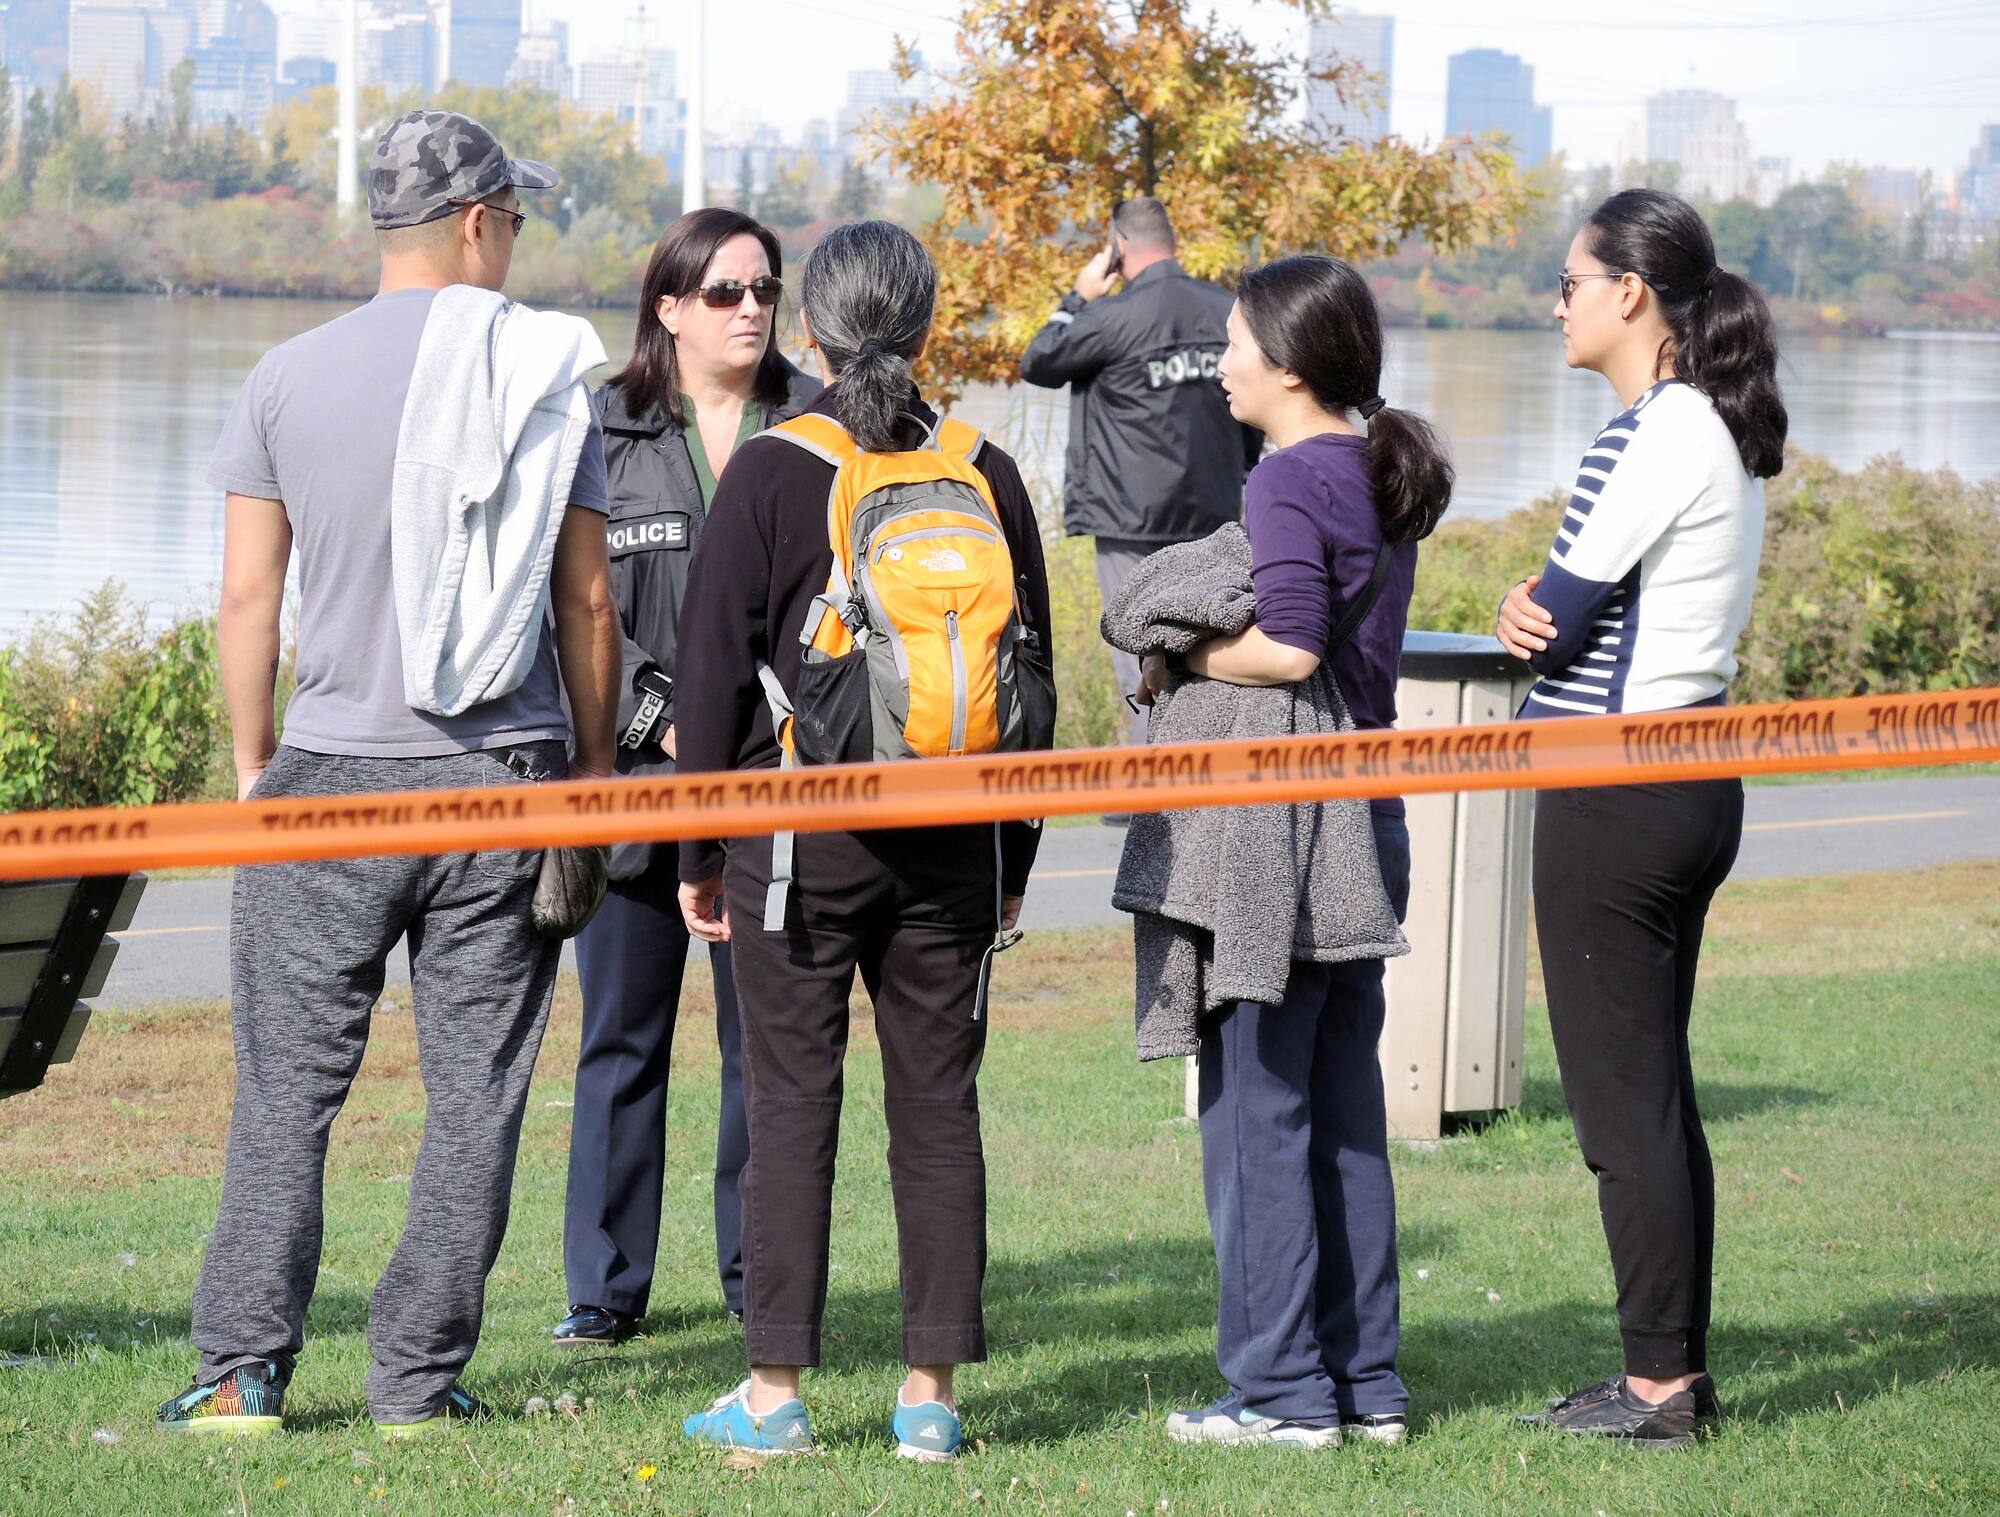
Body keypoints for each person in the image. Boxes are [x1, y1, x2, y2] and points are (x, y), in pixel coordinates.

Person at [157, 109, 620, 1437]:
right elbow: (590, 609)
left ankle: (243, 1371)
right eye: (516, 221)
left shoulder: (284, 377)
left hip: (327, 777)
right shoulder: (540, 380)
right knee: (475, 1093)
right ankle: (415, 1383)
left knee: (287, 1090)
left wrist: (257, 762)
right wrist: (592, 768)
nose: (519, 244)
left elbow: (249, 600)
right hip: (505, 779)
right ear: (477, 222)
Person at [673, 221, 1054, 1460]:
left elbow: (712, 680)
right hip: (954, 834)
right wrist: (1014, 861)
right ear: (927, 324)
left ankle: (775, 1395)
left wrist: (698, 853)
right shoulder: (985, 468)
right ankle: (927, 1396)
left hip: (802, 834)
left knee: (791, 1101)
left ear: (810, 332)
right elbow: (1029, 680)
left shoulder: (774, 468)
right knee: (938, 1104)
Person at [1134, 255, 1453, 1450]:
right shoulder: (1374, 468)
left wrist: (1179, 659)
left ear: (1287, 362)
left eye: (1230, 342)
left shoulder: (1283, 481)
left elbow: (1288, 643)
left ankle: (1274, 1393)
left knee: (1252, 1108)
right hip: (1366, 816)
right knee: (1340, 1108)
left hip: (1280, 828)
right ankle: (1364, 1384)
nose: (1217, 363)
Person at [1497, 188, 1787, 1449]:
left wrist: (1528, 606)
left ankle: (1660, 1387)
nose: (1553, 302)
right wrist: (1536, 607)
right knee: (1651, 1096)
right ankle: (1671, 1369)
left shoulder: (1653, 429)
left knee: (1622, 1107)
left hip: (1616, 790)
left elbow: (1552, 612)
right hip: (1682, 781)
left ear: (1630, 293)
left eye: (1567, 281)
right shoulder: (1698, 424)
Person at [555, 208, 820, 1349]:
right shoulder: (597, 430)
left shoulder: (816, 426)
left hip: (769, 792)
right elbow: (566, 611)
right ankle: (603, 1293)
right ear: (667, 308)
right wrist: (665, 718)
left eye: (763, 287)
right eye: (722, 292)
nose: (750, 307)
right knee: (621, 1038)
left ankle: (753, 1278)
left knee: (761, 1046)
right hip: (633, 784)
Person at [1020, 195, 1261, 753]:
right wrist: (1245, 476)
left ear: (1118, 248)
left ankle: (1151, 799)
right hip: (1213, 514)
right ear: (1173, 242)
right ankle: (1202, 781)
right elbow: (1253, 399)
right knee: (1210, 649)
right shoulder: (1226, 310)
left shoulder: (1109, 316)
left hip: (1130, 519)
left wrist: (1076, 297)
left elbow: (1039, 361)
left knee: (1139, 648)